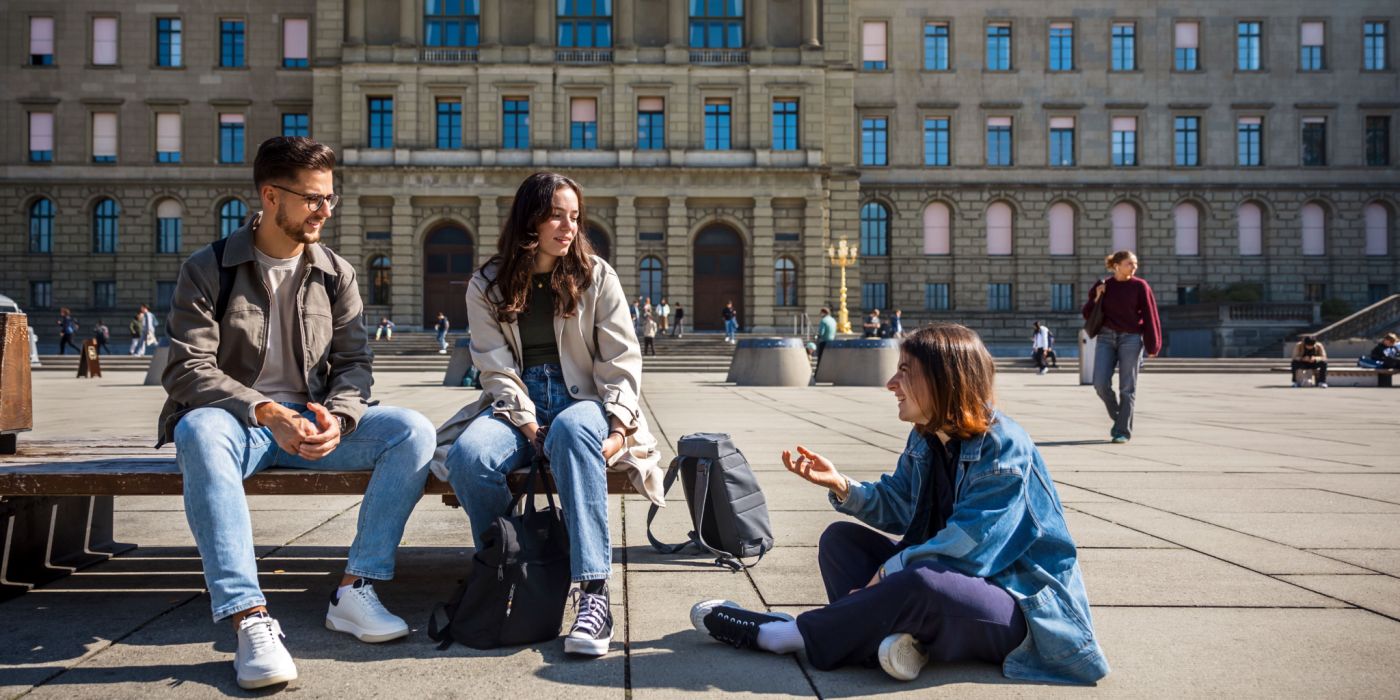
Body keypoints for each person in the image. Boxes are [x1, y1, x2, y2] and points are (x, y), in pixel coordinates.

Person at [160, 137, 436, 690]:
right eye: (312, 198)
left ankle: (355, 590)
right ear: (270, 196)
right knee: (196, 428)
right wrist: (264, 410)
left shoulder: (336, 274)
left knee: (412, 430)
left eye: (329, 198)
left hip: (313, 427)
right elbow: (187, 369)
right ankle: (249, 618)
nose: (325, 210)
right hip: (241, 425)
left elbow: (355, 363)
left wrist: (339, 417)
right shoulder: (208, 268)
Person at [688, 323, 1109, 685]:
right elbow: (898, 505)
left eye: (905, 372)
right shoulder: (927, 434)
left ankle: (783, 633)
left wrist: (888, 572)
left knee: (918, 579)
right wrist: (841, 485)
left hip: (1016, 607)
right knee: (840, 541)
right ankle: (900, 643)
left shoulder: (1003, 448)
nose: (891, 384)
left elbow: (971, 548)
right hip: (947, 589)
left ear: (946, 379)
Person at [434, 172, 662, 659]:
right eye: (556, 214)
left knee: (576, 433)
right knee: (471, 457)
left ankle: (593, 595)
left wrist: (619, 429)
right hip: (518, 401)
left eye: (574, 217)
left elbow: (622, 360)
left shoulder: (596, 275)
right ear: (529, 217)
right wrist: (529, 424)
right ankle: (506, 566)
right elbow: (493, 367)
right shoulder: (487, 283)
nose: (568, 226)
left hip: (584, 398)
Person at [1082, 250, 1161, 444]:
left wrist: (1153, 344)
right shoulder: (1103, 286)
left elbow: (1151, 315)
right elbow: (1087, 313)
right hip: (1106, 338)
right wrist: (1096, 298)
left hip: (1131, 339)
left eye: (1135, 264)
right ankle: (1120, 419)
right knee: (1099, 383)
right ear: (1116, 266)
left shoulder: (1140, 286)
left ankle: (1122, 432)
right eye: (1129, 264)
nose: (1134, 267)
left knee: (1127, 387)